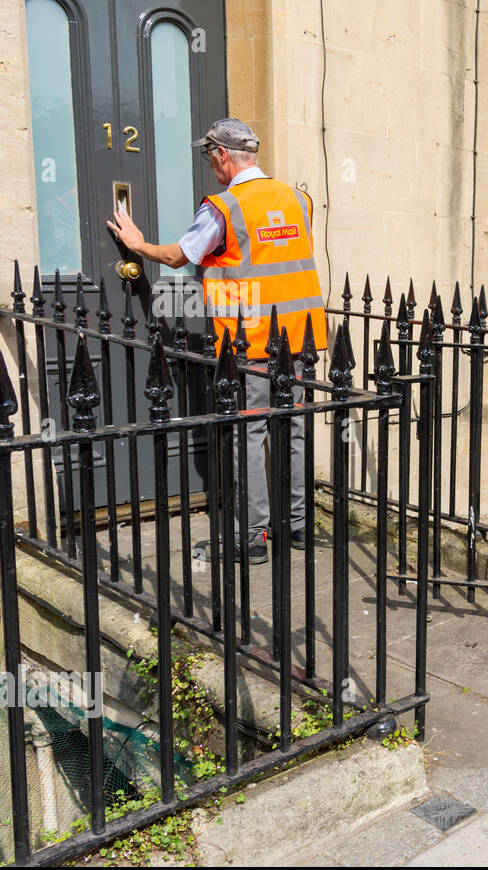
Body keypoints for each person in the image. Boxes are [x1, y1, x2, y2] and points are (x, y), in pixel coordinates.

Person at [106, 118, 326, 564]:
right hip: (301, 340)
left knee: (249, 434)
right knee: (297, 430)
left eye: (210, 157)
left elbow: (177, 255)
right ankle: (300, 525)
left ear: (223, 155)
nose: (210, 166)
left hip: (252, 344)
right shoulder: (298, 199)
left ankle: (254, 537)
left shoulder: (225, 207)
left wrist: (137, 243)